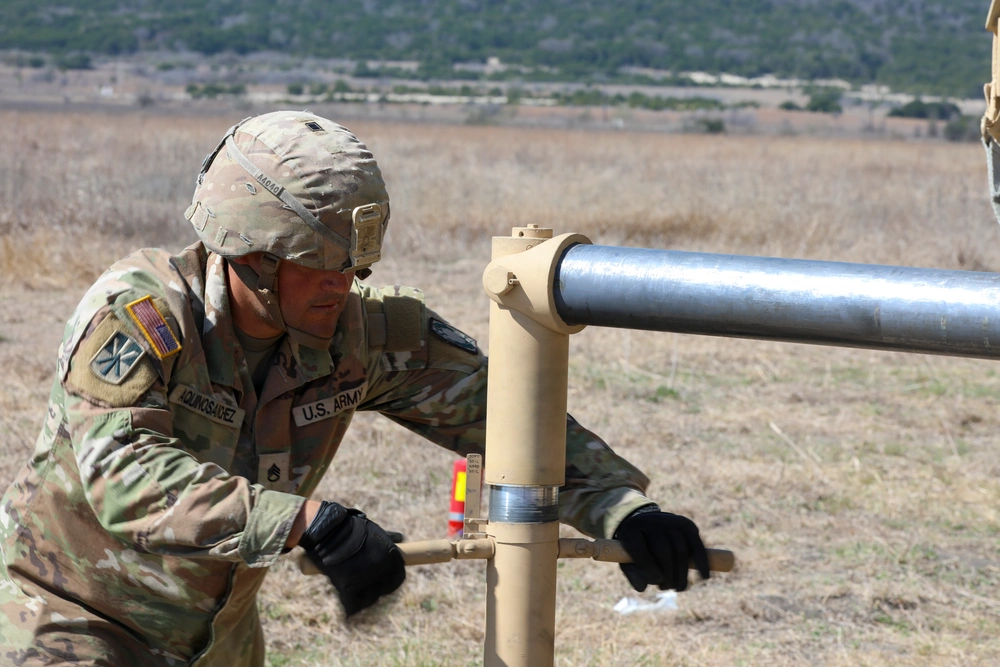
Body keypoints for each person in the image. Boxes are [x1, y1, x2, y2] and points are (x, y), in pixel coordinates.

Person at [0, 111, 710, 666]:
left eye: (355, 264)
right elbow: (122, 476)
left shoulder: (356, 334)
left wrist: (622, 507)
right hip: (68, 615)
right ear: (253, 254)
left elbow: (502, 413)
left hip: (215, 637)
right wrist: (305, 522)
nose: (346, 283)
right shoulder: (145, 315)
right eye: (323, 264)